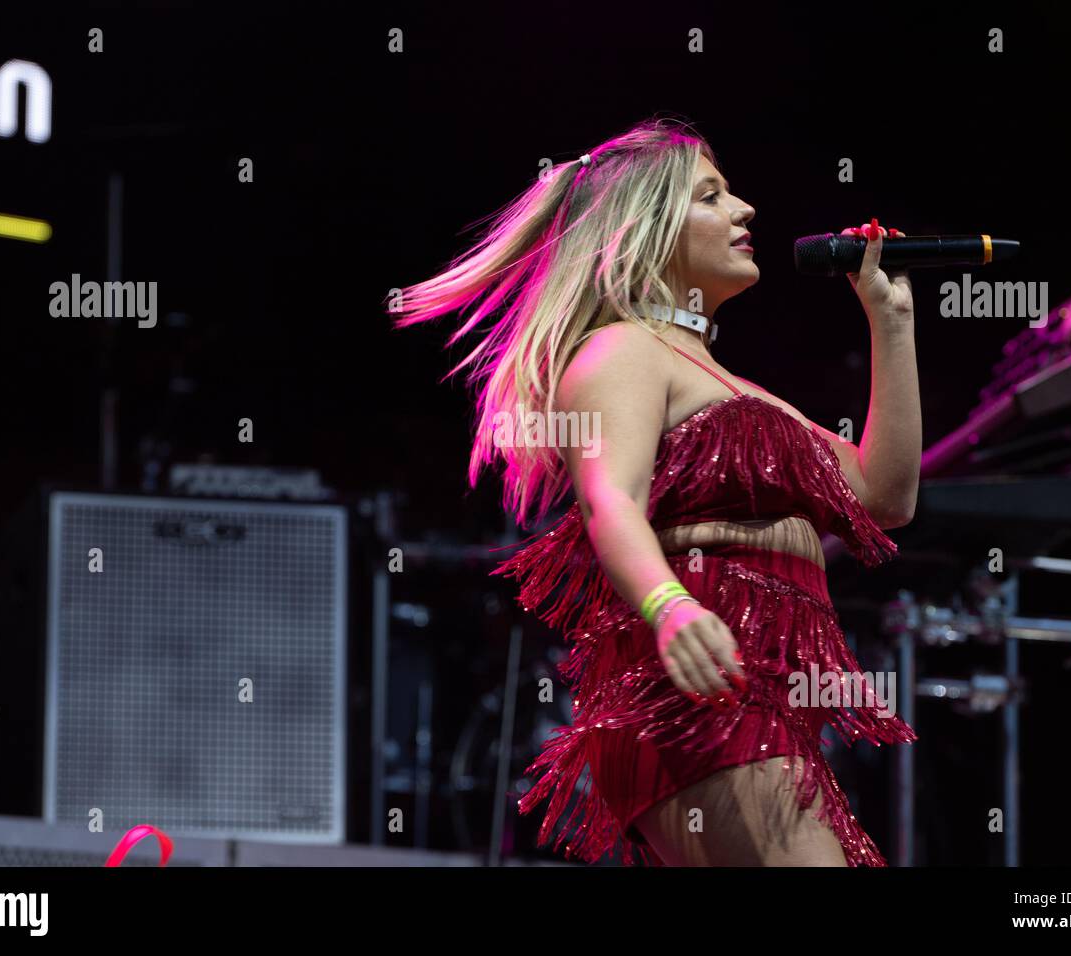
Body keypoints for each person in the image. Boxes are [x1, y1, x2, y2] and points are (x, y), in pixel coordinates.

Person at [391, 116, 920, 866]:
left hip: (760, 690)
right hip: (692, 686)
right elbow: (612, 501)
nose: (746, 211)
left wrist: (890, 324)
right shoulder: (621, 351)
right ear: (647, 232)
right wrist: (668, 607)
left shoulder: (738, 388)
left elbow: (884, 496)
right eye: (712, 196)